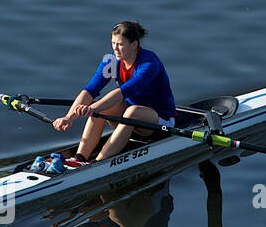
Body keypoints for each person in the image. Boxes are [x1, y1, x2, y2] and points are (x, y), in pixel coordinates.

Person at [53, 21, 176, 163]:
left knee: (129, 111)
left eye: (120, 44)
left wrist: (91, 108)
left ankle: (98, 164)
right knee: (103, 108)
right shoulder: (111, 61)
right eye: (113, 43)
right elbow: (90, 91)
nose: (115, 49)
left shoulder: (149, 64)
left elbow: (123, 92)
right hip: (131, 117)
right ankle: (80, 158)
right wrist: (69, 117)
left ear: (134, 44)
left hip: (159, 120)